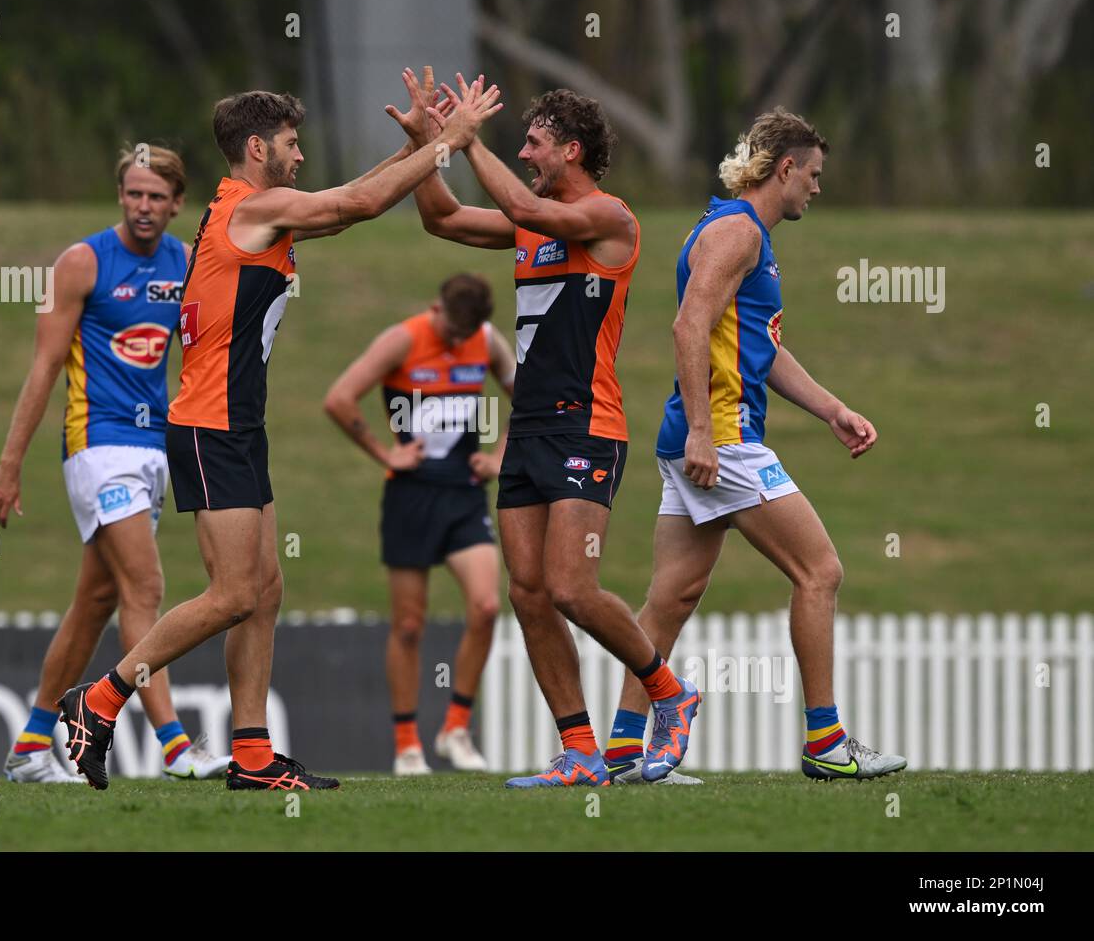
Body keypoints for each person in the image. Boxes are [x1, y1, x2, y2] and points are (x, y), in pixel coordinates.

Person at [57, 80, 505, 792]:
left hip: (236, 427)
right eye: (292, 144)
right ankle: (99, 701)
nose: (301, 155)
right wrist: (450, 142)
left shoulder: (261, 212)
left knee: (264, 589)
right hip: (211, 426)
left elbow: (349, 201)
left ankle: (254, 756)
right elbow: (351, 204)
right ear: (257, 148)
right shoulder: (254, 208)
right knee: (232, 593)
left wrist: (418, 144)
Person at [389, 68, 697, 788]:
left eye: (534, 142)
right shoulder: (532, 223)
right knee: (528, 592)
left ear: (572, 151)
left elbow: (525, 204)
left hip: (587, 427)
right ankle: (581, 751)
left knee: (571, 588)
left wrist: (466, 142)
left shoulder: (610, 219)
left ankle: (668, 693)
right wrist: (430, 145)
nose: (525, 152)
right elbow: (441, 219)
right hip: (527, 429)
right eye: (521, 143)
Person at [605, 108, 907, 782]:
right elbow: (688, 327)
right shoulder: (739, 232)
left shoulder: (738, 232)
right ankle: (827, 744)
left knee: (670, 597)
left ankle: (624, 752)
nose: (817, 190)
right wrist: (710, 437)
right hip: (724, 440)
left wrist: (832, 409)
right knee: (819, 572)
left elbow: (759, 346)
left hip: (693, 437)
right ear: (785, 168)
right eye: (815, 176)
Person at [0, 146, 231, 783]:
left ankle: (30, 748)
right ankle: (177, 748)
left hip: (155, 451)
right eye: (133, 194)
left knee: (95, 600)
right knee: (144, 589)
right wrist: (9, 465)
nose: (143, 207)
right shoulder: (82, 263)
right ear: (120, 196)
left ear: (178, 203)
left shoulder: (184, 262)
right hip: (96, 446)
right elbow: (42, 369)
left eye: (156, 197)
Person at [324, 273, 516, 775]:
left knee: (487, 605)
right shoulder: (403, 338)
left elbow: (528, 393)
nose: (456, 344)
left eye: (464, 336)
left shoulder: (486, 338)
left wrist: (499, 456)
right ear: (437, 309)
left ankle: (455, 730)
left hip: (464, 495)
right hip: (410, 496)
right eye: (451, 333)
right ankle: (407, 744)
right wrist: (385, 453)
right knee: (409, 625)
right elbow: (339, 399)